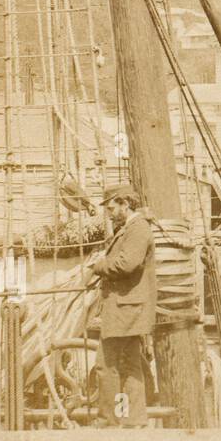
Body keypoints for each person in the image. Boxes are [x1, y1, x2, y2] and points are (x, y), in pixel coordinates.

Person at [88, 183, 156, 428]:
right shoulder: (131, 228)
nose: (108, 212)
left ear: (125, 204)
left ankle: (110, 420)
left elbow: (127, 264)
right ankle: (133, 419)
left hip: (125, 308)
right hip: (128, 306)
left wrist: (98, 265)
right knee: (129, 365)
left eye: (111, 207)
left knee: (107, 365)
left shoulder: (137, 229)